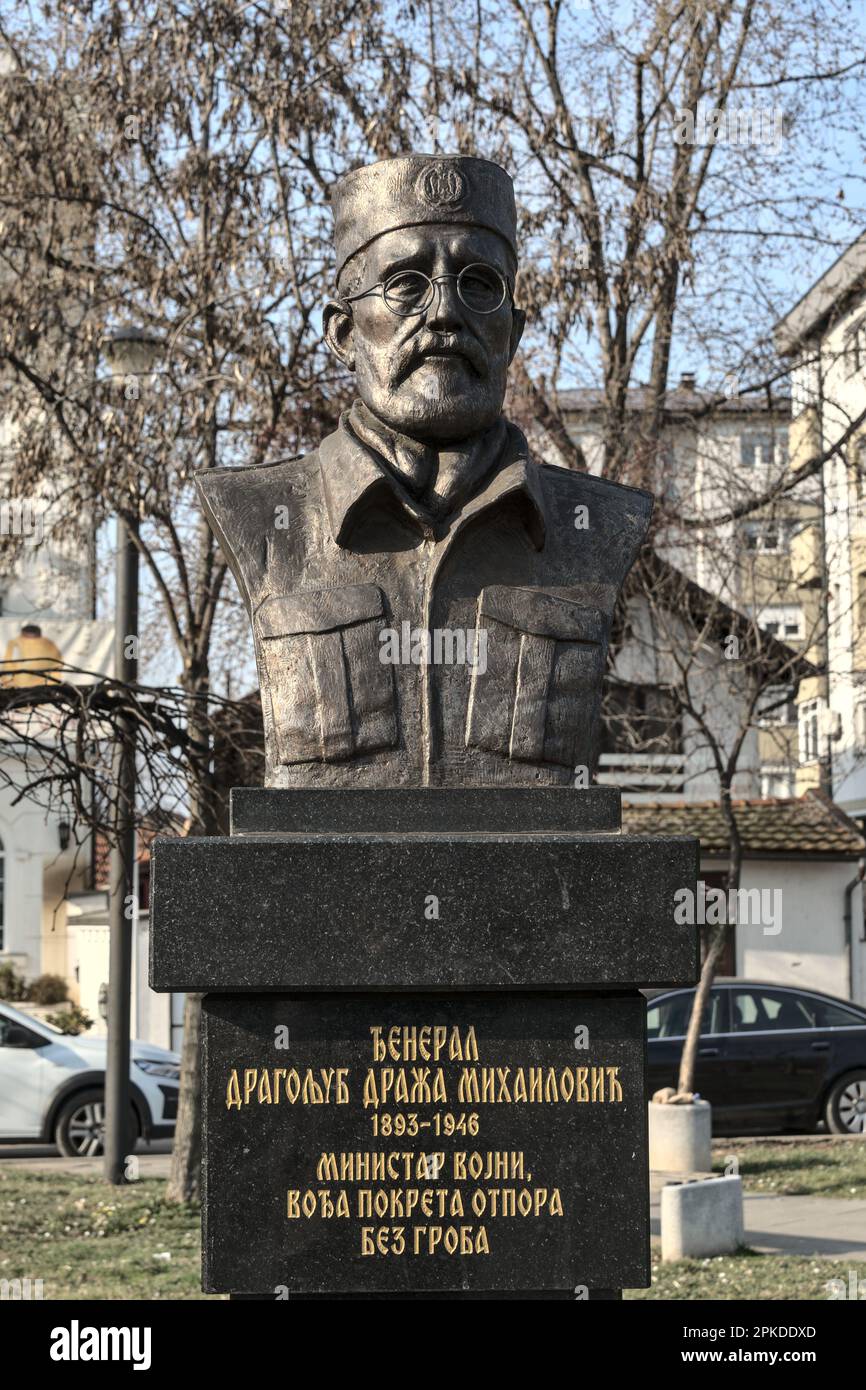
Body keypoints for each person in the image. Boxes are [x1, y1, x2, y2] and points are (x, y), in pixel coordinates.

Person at [197, 154, 653, 788]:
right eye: (406, 283)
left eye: (479, 284)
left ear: (513, 332)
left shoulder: (599, 526)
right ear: (342, 332)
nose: (444, 312)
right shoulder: (258, 513)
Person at [0, 622, 63, 688]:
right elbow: (7, 665)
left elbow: (57, 665)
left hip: (45, 688)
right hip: (22, 688)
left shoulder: (49, 644)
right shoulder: (15, 643)